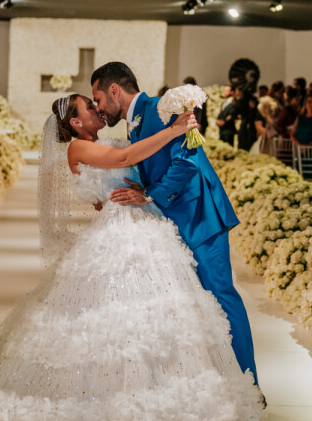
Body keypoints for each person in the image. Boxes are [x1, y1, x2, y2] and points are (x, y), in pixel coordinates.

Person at [0, 93, 261, 421]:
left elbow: (126, 169)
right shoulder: (80, 147)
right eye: (90, 106)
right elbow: (124, 160)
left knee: (147, 316)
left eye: (97, 102)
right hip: (123, 228)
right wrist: (174, 130)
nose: (99, 110)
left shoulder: (100, 139)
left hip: (140, 222)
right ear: (76, 122)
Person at [92, 61, 259, 386]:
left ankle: (250, 383)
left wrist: (149, 195)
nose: (99, 108)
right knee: (198, 304)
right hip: (176, 220)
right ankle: (218, 382)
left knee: (221, 294)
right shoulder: (135, 122)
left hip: (200, 216)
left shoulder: (160, 109)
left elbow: (188, 161)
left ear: (114, 90)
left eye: (98, 99)